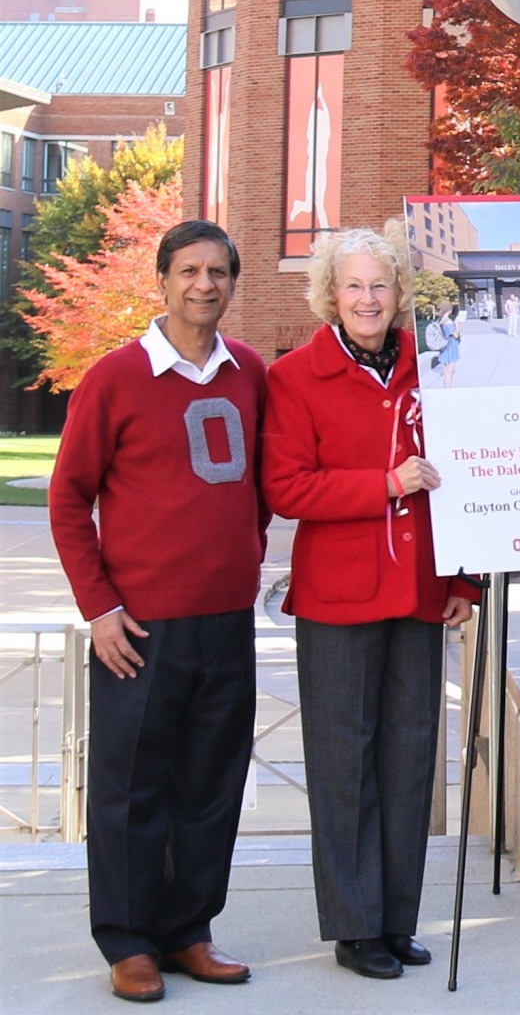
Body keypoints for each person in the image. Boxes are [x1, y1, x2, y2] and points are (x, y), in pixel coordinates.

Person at [48, 220, 268, 1002]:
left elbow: (257, 490)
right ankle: (130, 940)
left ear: (232, 283)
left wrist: (246, 555)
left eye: (218, 272)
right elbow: (69, 499)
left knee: (211, 784)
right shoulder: (115, 377)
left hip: (225, 620)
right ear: (163, 279)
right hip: (137, 625)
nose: (204, 284)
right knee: (131, 787)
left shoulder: (249, 370)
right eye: (189, 270)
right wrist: (100, 607)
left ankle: (188, 930)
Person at [262, 224, 479, 981]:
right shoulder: (295, 378)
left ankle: (396, 916)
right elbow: (285, 487)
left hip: (421, 590)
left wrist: (463, 582)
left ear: (399, 294)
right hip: (337, 598)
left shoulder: (438, 370)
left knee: (411, 758)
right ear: (331, 293)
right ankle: (355, 927)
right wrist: (384, 484)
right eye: (353, 285)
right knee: (343, 762)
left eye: (379, 285)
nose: (367, 298)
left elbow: (472, 474)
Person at [434, 301, 462, 385]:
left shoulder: (441, 320)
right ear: (449, 310)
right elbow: (456, 335)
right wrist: (457, 324)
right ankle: (448, 391)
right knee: (449, 372)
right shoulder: (448, 322)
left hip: (445, 347)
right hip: (451, 348)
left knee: (447, 371)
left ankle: (447, 389)